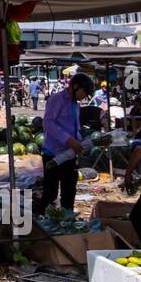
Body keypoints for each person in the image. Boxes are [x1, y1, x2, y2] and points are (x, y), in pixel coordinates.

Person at [39, 72, 94, 214]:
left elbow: (75, 128)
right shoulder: (57, 99)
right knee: (50, 192)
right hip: (53, 153)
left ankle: (67, 219)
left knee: (69, 190)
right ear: (76, 86)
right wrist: (68, 140)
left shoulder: (75, 105)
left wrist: (80, 141)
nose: (84, 96)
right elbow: (48, 123)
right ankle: (42, 219)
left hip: (69, 154)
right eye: (84, 92)